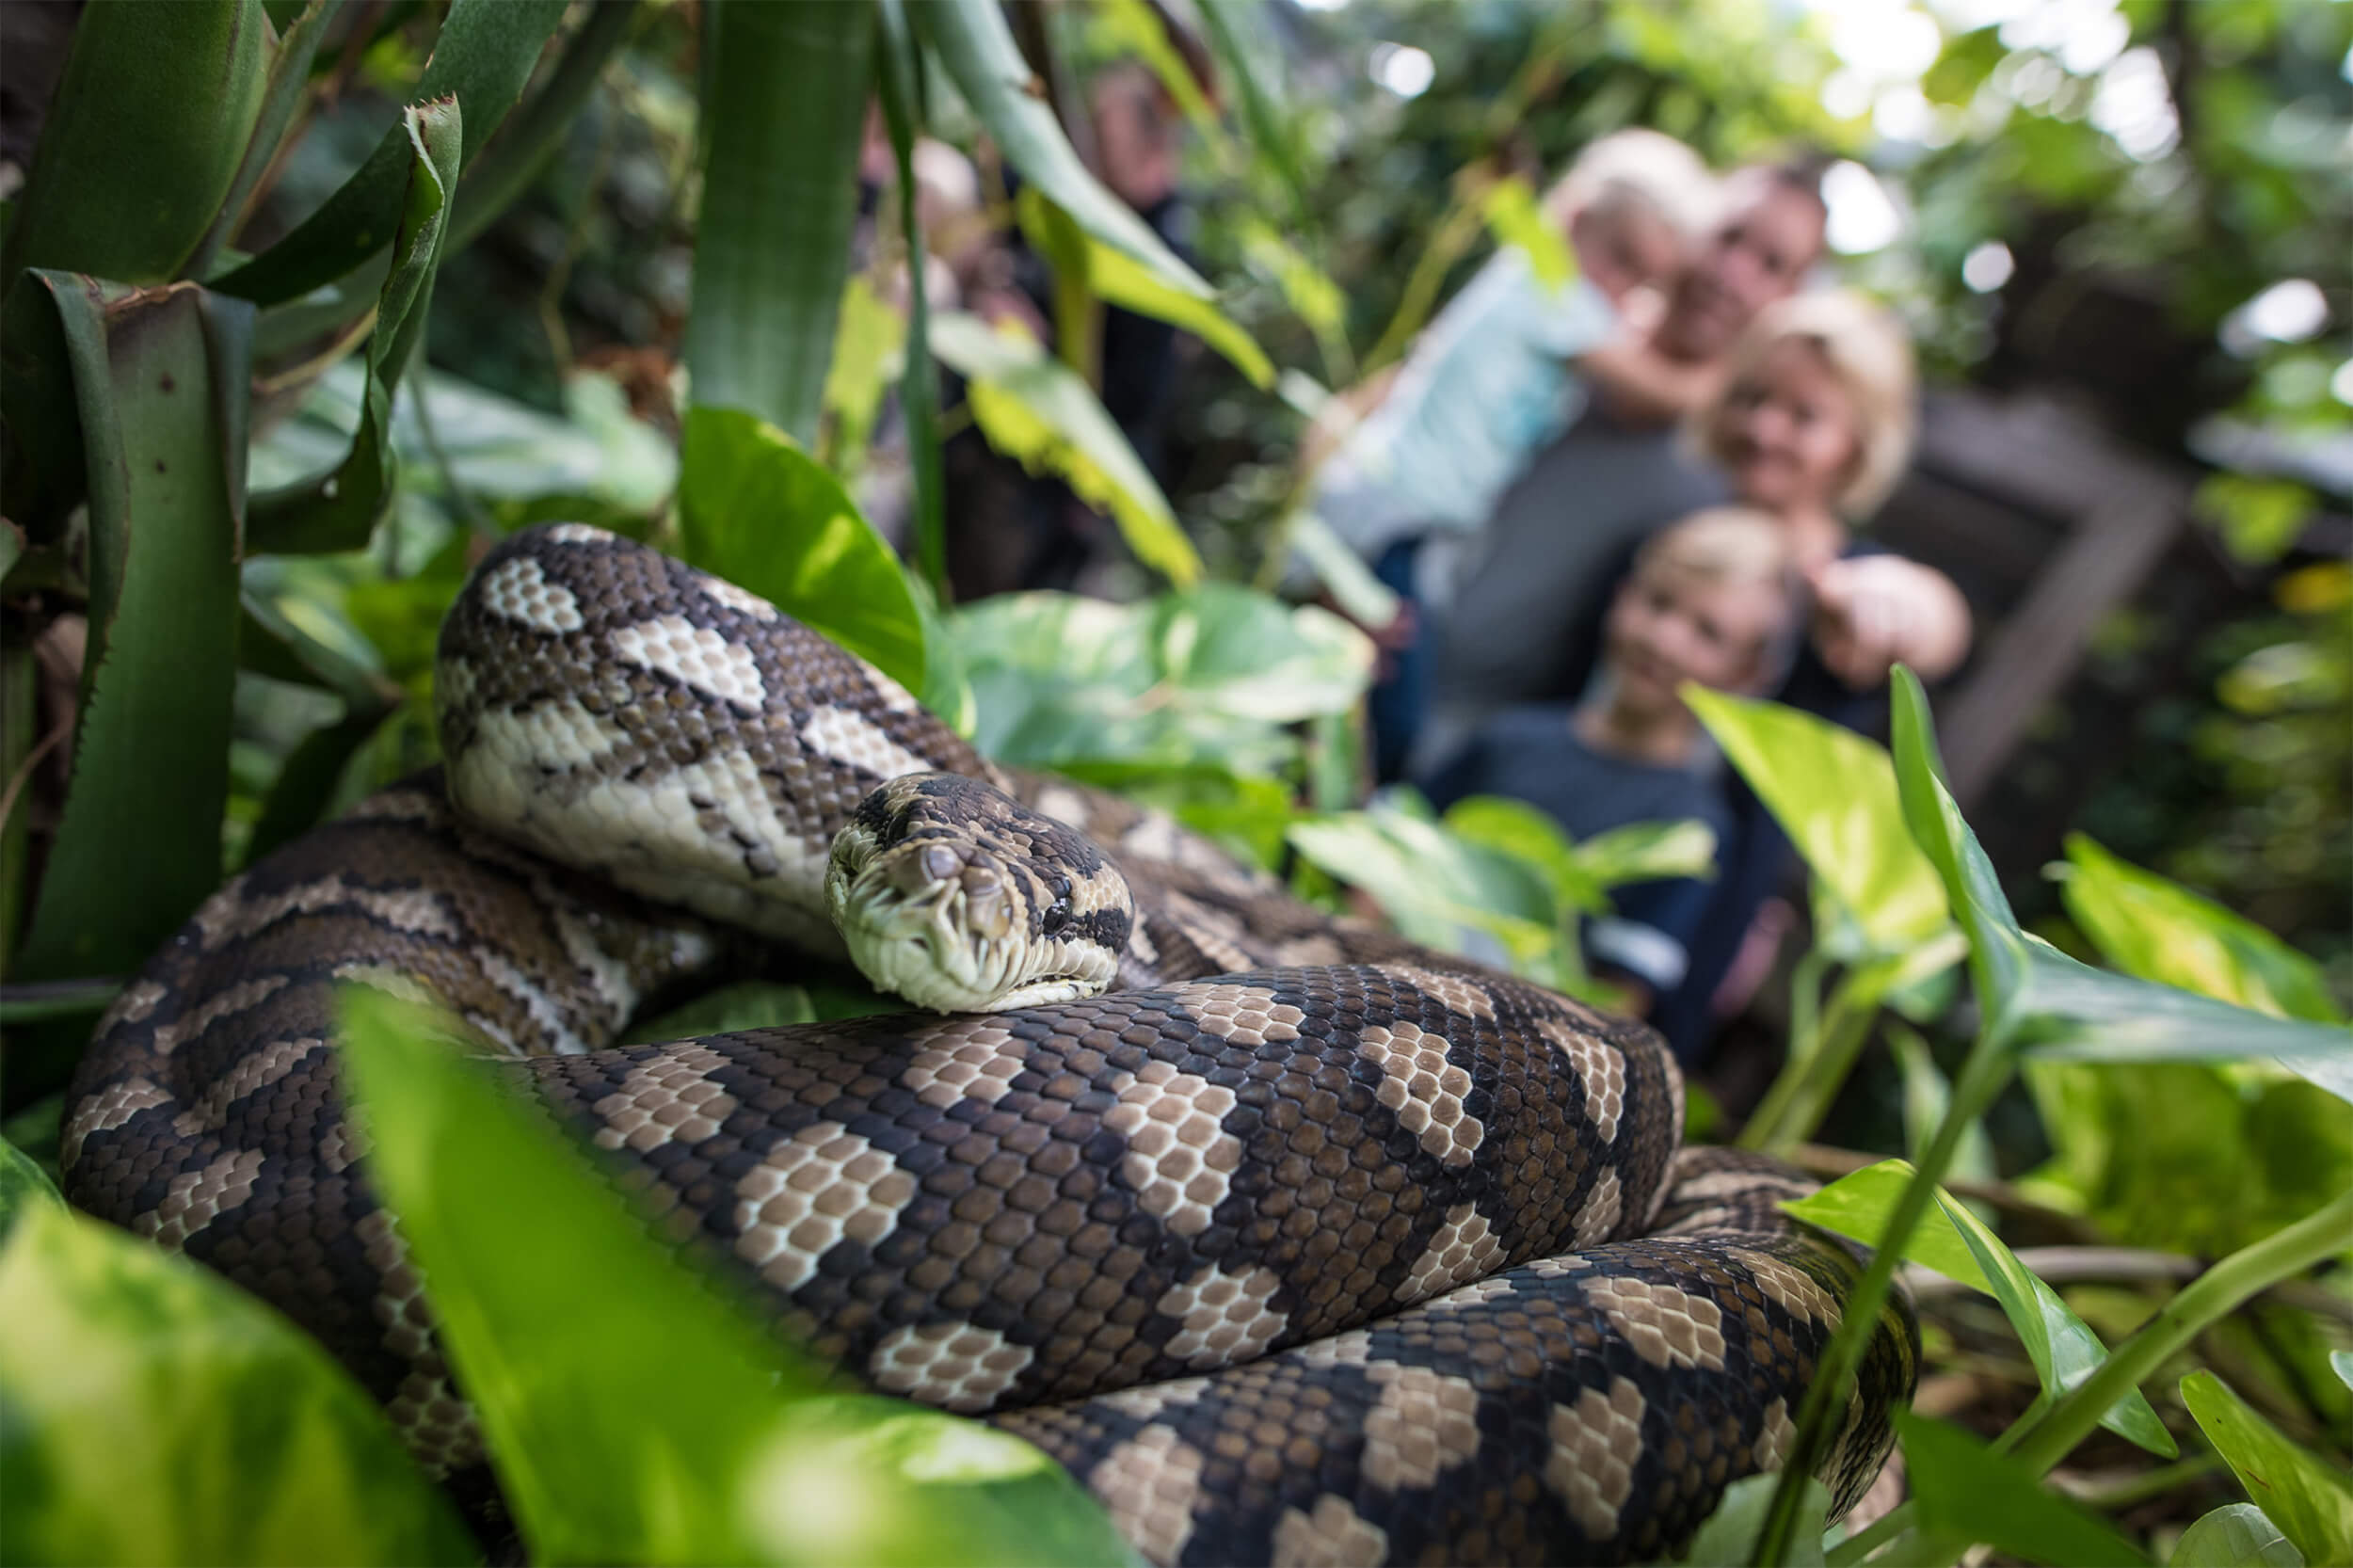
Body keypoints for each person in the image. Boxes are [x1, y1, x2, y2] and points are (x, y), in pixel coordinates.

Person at [1305, 129, 1720, 777]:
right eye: (1618, 259)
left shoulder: (1550, 286)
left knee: (1355, 681)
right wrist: (1730, 376)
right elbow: (1659, 389)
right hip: (1398, 507)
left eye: (1642, 280)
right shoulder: (1551, 284)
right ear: (1574, 217)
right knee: (1389, 710)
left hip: (1410, 509)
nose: (1619, 289)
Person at [1409, 154, 1833, 778]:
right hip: (1365, 610)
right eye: (1728, 237)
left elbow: (1821, 550)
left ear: (1790, 296)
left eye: (1771, 264)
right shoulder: (1570, 329)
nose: (1731, 273)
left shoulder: (1723, 468)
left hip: (1467, 750)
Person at [1424, 508, 1800, 1041]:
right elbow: (1385, 859)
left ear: (1747, 674)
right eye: (1658, 602)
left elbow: (1617, 1007)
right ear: (1623, 594)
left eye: (1707, 633)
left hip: (1499, 1052)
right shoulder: (1512, 737)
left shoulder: (1688, 829)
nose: (1664, 639)